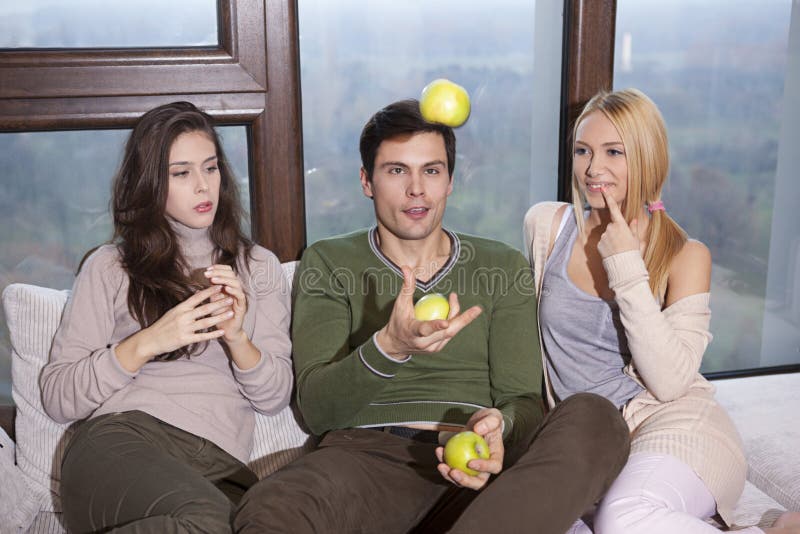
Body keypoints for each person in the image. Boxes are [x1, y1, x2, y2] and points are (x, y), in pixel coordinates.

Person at [234, 98, 630, 534]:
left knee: (597, 419)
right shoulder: (329, 262)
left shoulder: (501, 265)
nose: (416, 189)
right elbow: (318, 411)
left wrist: (502, 424)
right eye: (397, 170)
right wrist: (390, 347)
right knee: (270, 509)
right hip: (365, 464)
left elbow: (522, 401)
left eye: (431, 170)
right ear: (367, 181)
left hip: (482, 474)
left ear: (450, 182)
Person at [524, 88, 800, 534]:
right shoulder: (546, 227)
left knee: (623, 519)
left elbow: (671, 382)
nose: (593, 168)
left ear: (647, 159)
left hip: (672, 430)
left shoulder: (686, 255)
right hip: (585, 444)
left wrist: (626, 266)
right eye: (583, 151)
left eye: (614, 152)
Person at [40, 101, 293, 533]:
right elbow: (58, 396)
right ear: (152, 183)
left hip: (220, 466)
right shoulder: (110, 266)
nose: (203, 186)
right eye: (181, 173)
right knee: (208, 523)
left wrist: (237, 339)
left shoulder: (258, 267)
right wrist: (151, 341)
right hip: (123, 443)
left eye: (210, 168)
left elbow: (274, 397)